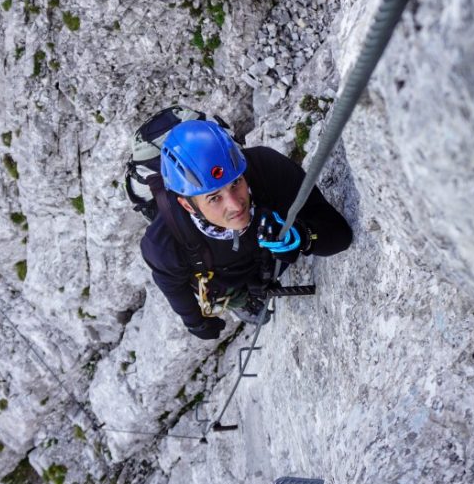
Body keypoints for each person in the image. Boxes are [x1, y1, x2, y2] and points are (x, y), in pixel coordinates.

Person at [140, 120, 353, 340]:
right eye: (214, 198)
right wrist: (196, 322)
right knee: (232, 292)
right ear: (187, 205)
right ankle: (242, 301)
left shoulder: (266, 169)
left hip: (267, 255)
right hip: (224, 276)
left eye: (236, 183)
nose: (235, 205)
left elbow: (340, 236)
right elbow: (172, 285)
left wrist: (303, 236)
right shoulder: (164, 243)